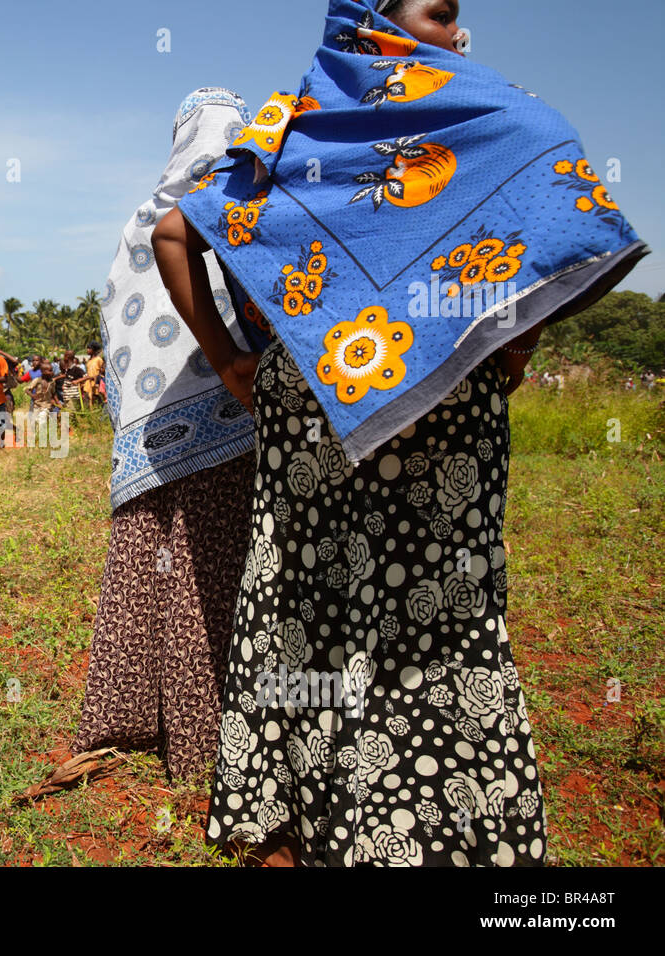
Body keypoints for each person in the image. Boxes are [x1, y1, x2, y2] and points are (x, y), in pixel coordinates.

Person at [154, 0, 646, 866]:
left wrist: (235, 363)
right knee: (435, 618)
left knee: (302, 601)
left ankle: (293, 814)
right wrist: (515, 340)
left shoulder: (291, 121)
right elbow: (582, 222)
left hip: (306, 410)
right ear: (380, 18)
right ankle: (437, 820)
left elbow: (174, 231)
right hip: (443, 420)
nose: (459, 35)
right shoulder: (493, 113)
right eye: (441, 13)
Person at [72, 87, 259, 783]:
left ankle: (131, 714)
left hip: (151, 436)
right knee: (203, 572)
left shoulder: (140, 226)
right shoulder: (230, 212)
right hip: (224, 420)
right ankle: (203, 739)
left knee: (154, 565)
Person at [83, 342, 105, 408]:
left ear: (93, 350)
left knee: (96, 402)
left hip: (96, 384)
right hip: (88, 384)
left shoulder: (98, 360)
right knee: (87, 403)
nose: (87, 350)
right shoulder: (88, 361)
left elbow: (102, 372)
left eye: (89, 348)